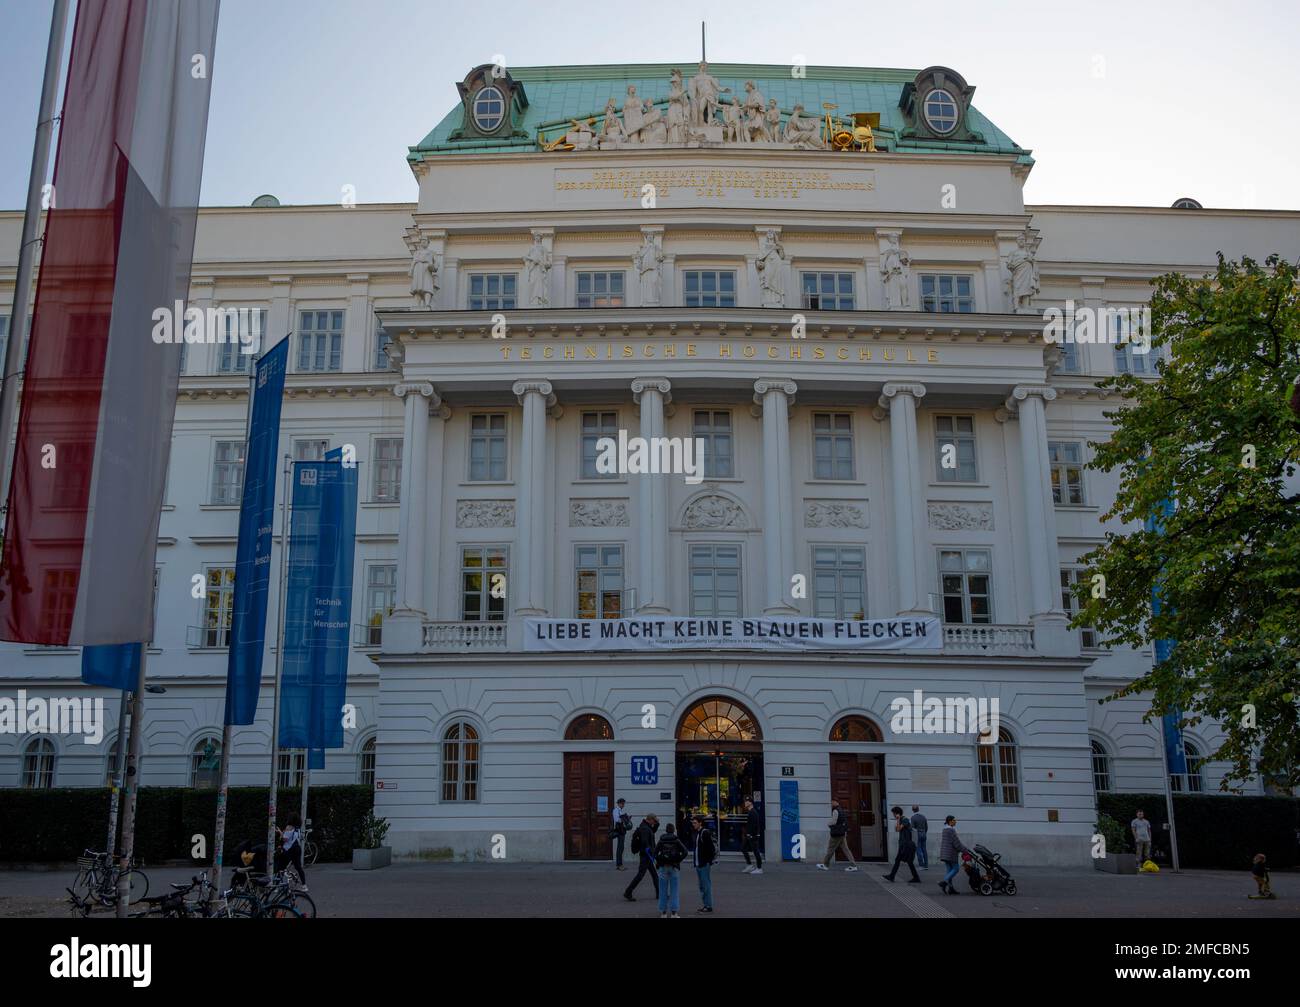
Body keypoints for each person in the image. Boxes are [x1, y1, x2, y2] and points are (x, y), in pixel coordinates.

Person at [654, 823, 689, 918]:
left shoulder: (661, 840)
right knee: (674, 890)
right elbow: (685, 851)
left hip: (663, 867)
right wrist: (678, 860)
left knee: (662, 890)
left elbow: (655, 853)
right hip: (674, 867)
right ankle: (674, 913)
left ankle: (663, 912)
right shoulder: (676, 840)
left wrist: (660, 860)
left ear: (666, 830)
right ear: (674, 830)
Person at [623, 814, 659, 901]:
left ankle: (660, 894)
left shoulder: (647, 826)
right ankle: (628, 892)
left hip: (647, 855)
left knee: (654, 875)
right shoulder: (645, 828)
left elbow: (653, 831)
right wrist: (651, 853)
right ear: (650, 820)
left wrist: (657, 823)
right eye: (654, 821)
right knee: (640, 875)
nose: (654, 823)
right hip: (646, 855)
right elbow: (645, 842)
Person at [882, 806, 920, 883]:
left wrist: (898, 819)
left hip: (907, 844)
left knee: (907, 861)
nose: (893, 814)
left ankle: (915, 877)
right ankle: (892, 876)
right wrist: (898, 820)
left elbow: (898, 829)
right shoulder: (901, 820)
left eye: (893, 813)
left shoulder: (905, 820)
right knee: (900, 860)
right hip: (903, 844)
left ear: (897, 813)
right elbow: (896, 829)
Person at [817, 799, 858, 872]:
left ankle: (825, 865)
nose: (831, 803)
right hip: (842, 833)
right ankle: (853, 865)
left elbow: (834, 821)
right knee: (846, 849)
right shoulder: (841, 810)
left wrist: (828, 824)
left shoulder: (835, 811)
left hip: (836, 834)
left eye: (832, 802)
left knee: (830, 849)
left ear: (836, 802)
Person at [938, 815, 970, 895]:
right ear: (950, 821)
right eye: (954, 820)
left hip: (945, 853)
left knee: (949, 871)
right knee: (956, 869)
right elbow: (957, 844)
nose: (955, 821)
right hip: (950, 854)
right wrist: (965, 850)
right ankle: (944, 882)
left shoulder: (945, 829)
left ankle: (951, 888)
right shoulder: (951, 830)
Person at [691, 814, 717, 913]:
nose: (693, 825)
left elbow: (711, 849)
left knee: (706, 885)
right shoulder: (697, 833)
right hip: (699, 863)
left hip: (703, 863)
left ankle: (708, 905)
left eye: (695, 823)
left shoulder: (704, 833)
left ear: (700, 823)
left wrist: (708, 861)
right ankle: (706, 904)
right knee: (702, 885)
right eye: (692, 823)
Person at [274, 813, 307, 885]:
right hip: (297, 849)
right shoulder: (297, 828)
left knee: (281, 867)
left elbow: (284, 839)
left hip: (289, 850)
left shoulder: (289, 827)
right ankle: (304, 886)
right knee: (298, 867)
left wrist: (280, 832)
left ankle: (277, 885)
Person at [741, 798, 764, 875]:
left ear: (750, 803)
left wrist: (750, 834)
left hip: (752, 836)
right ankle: (749, 865)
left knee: (756, 851)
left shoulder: (753, 812)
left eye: (746, 802)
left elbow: (754, 825)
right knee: (744, 848)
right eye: (745, 801)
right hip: (750, 835)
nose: (745, 803)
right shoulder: (750, 812)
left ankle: (759, 868)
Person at [612, 798, 632, 870]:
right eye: (622, 803)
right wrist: (624, 818)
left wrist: (627, 818)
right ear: (619, 803)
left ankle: (620, 864)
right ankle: (619, 865)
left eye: (623, 804)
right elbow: (617, 819)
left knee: (621, 847)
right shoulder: (616, 810)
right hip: (619, 830)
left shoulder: (620, 810)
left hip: (622, 830)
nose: (623, 805)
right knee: (620, 848)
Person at [911, 805, 929, 870]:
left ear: (912, 810)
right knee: (924, 849)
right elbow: (926, 826)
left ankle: (921, 865)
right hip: (924, 833)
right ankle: (926, 865)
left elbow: (912, 828)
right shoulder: (923, 817)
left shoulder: (913, 817)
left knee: (918, 849)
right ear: (918, 809)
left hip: (917, 833)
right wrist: (924, 832)